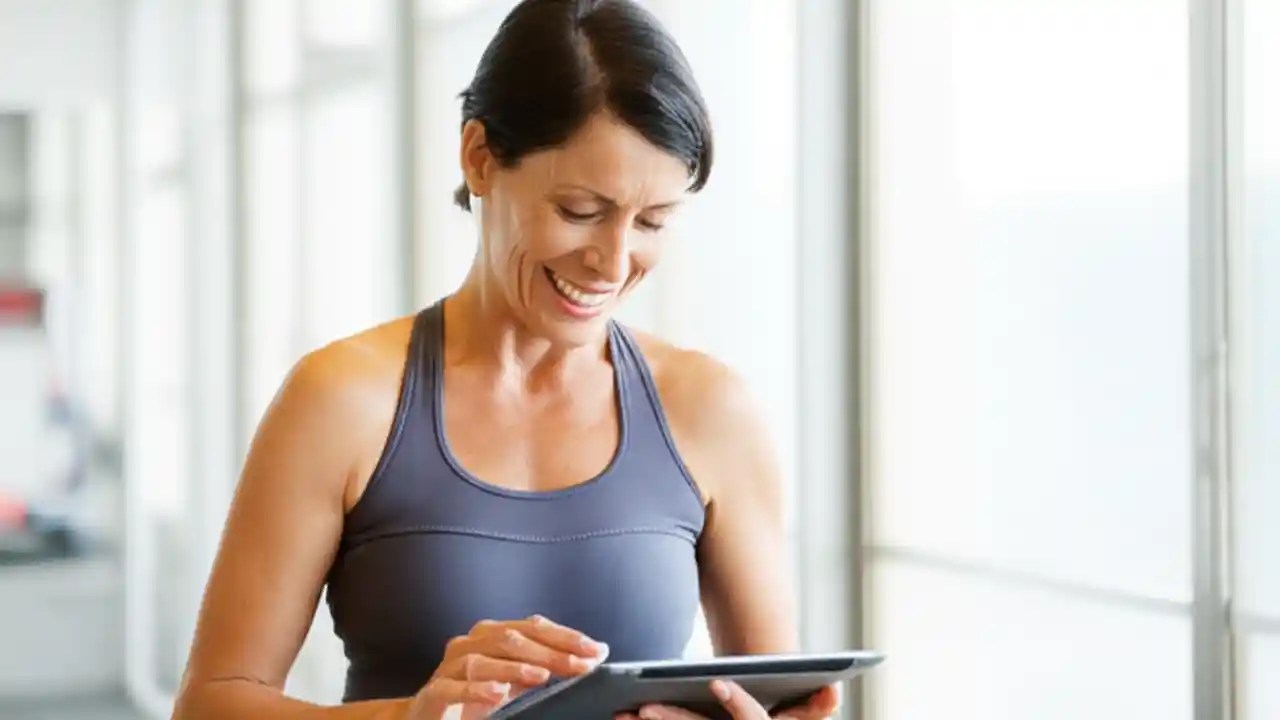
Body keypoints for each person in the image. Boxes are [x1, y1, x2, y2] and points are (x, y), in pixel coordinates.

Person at [172, 1, 839, 718]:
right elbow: (212, 705)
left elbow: (783, 702)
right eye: (581, 210)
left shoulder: (711, 409)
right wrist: (413, 716)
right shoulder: (341, 400)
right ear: (479, 158)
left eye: (652, 221)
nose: (613, 262)